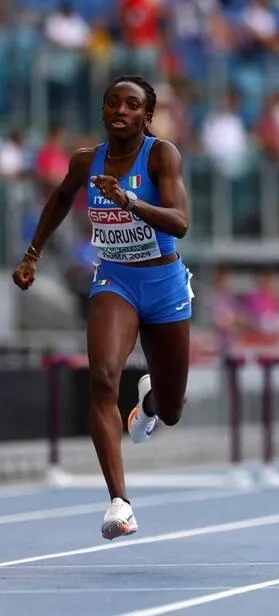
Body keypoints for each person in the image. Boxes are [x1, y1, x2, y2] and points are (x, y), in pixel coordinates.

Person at [12, 75, 193, 540]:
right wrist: (32, 255)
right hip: (115, 279)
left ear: (146, 116)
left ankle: (150, 401)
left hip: (164, 280)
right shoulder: (85, 162)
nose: (121, 110)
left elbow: (180, 221)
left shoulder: (161, 155)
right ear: (103, 111)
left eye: (132, 105)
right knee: (102, 378)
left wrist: (129, 200)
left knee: (172, 409)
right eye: (112, 102)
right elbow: (58, 199)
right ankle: (119, 502)